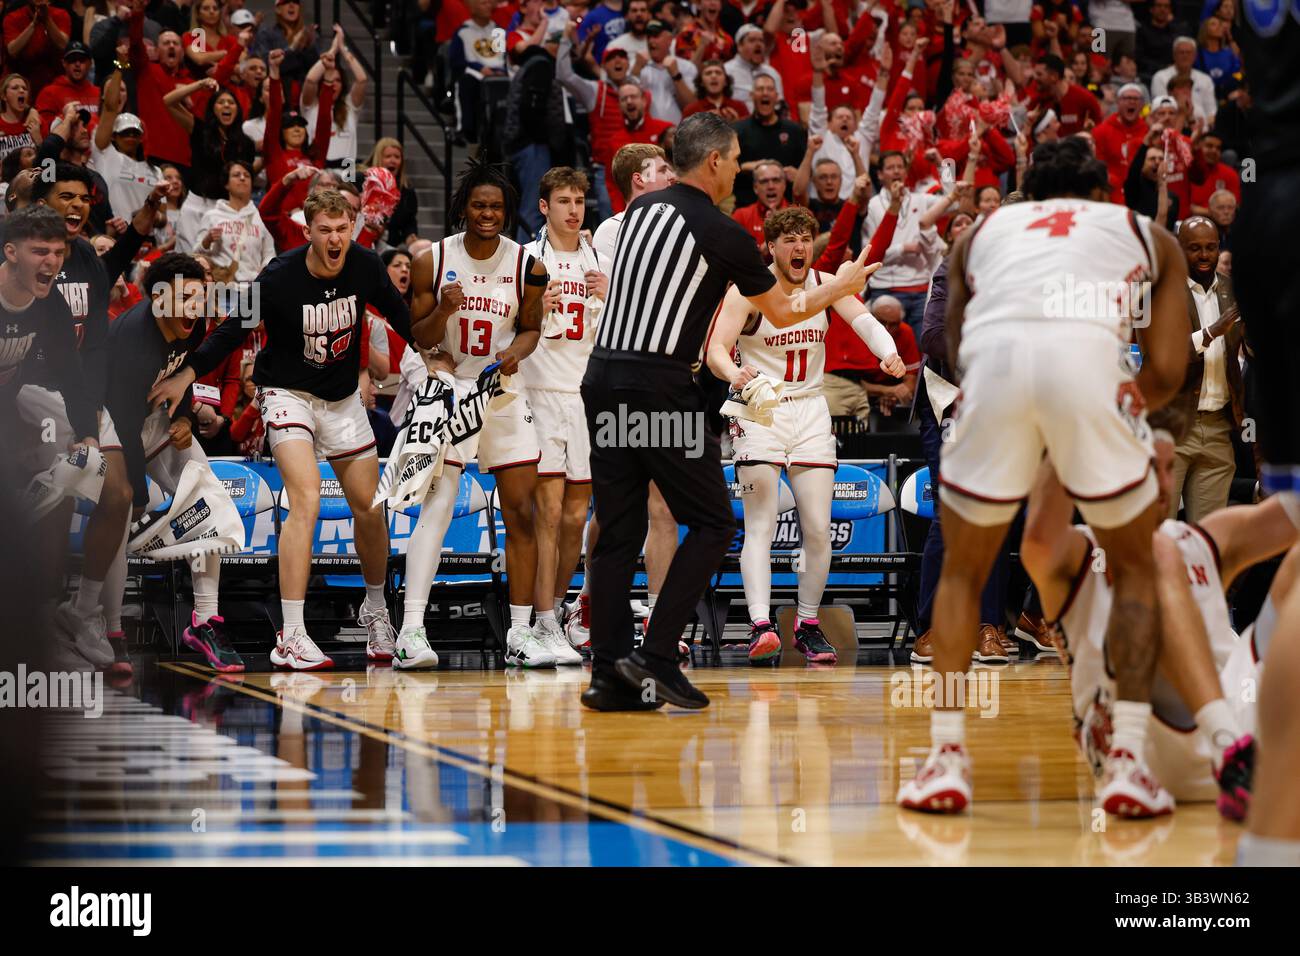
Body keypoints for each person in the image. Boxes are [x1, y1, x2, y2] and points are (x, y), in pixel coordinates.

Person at [897, 139, 1188, 816]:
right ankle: (1127, 764)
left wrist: (1017, 412)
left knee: (965, 572)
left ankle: (945, 757)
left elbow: (957, 345)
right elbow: (1169, 372)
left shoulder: (981, 232)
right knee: (1136, 569)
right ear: (1101, 194)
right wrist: (1127, 402)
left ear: (1030, 189)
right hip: (1091, 365)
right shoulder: (1144, 232)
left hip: (993, 370)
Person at [580, 112, 875, 711]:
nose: (739, 168)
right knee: (714, 524)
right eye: (737, 158)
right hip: (660, 386)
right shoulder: (720, 231)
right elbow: (788, 313)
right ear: (713, 162)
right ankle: (657, 656)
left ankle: (610, 674)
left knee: (617, 532)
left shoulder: (637, 212)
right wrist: (840, 286)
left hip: (603, 378)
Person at [148, 189, 440, 670]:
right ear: (308, 232)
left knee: (369, 506)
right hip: (285, 393)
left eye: (341, 229)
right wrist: (190, 370)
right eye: (324, 230)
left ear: (353, 228)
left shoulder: (366, 266)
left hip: (342, 399)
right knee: (304, 497)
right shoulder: (280, 275)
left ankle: (374, 610)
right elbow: (232, 330)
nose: (333, 238)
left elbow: (403, 317)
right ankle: (293, 634)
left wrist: (433, 353)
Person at [1021, 412, 1296, 818]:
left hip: (1247, 736)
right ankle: (1224, 746)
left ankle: (1238, 754)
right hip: (1142, 748)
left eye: (1170, 468)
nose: (1166, 486)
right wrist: (1078, 406)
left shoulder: (1202, 539)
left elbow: (1291, 515)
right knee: (1158, 550)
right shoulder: (1076, 555)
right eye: (1150, 469)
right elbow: (1038, 534)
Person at [706, 205, 903, 665]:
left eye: (805, 238)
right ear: (770, 247)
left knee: (817, 529)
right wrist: (734, 372)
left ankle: (808, 625)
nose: (799, 247)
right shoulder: (749, 289)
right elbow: (715, 347)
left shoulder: (824, 282)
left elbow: (864, 319)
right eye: (788, 239)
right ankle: (759, 625)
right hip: (761, 408)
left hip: (812, 409)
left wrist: (889, 354)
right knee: (761, 524)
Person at [410, 160, 556, 668]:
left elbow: (532, 327)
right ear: (463, 208)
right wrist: (445, 312)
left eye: (495, 206)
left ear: (506, 210)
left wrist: (518, 350)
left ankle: (520, 632)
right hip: (450, 390)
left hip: (503, 393)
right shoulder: (431, 259)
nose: (487, 213)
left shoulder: (528, 266)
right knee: (439, 505)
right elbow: (421, 337)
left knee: (522, 510)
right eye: (479, 205)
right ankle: (411, 630)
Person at [29, 162, 165, 678]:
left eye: (84, 198)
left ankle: (80, 613)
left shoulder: (84, 254)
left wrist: (144, 221)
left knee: (121, 496)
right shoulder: (26, 253)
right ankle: (42, 622)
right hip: (34, 391)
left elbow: (116, 271)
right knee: (58, 499)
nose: (77, 205)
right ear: (43, 201)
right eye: (65, 196)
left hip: (83, 395)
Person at [101, 253, 247, 672]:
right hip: (111, 421)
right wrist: (141, 492)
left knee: (207, 496)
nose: (194, 307)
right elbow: (123, 419)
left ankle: (204, 620)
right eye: (184, 298)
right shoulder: (131, 337)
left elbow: (183, 374)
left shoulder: (192, 320)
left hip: (155, 418)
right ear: (158, 298)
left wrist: (183, 416)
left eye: (199, 297)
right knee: (124, 508)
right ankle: (111, 630)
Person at [0, 206, 98, 668]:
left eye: (58, 252)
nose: (52, 261)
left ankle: (42, 622)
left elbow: (72, 375)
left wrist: (88, 434)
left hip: (9, 405)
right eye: (40, 251)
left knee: (58, 481)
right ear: (11, 252)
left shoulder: (50, 304)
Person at [523, 167, 610, 665]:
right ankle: (540, 622)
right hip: (540, 394)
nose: (574, 209)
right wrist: (534, 304)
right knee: (549, 514)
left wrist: (608, 295)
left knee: (577, 516)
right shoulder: (530, 260)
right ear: (544, 207)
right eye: (563, 201)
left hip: (585, 395)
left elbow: (619, 327)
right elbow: (508, 325)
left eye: (579, 200)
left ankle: (557, 612)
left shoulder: (597, 257)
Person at [1167, 217, 1242, 522]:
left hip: (1217, 429)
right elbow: (1161, 354)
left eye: (1211, 248)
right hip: (1170, 429)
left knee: (1208, 541)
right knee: (1159, 538)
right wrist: (1212, 332)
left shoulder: (1233, 290)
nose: (1204, 255)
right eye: (1194, 248)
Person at [195, 160, 276, 282]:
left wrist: (265, 269)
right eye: (236, 175)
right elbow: (195, 254)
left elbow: (269, 254)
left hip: (252, 288)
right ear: (226, 184)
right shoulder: (212, 216)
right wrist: (207, 241)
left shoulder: (261, 218)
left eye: (247, 175)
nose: (242, 178)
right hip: (221, 287)